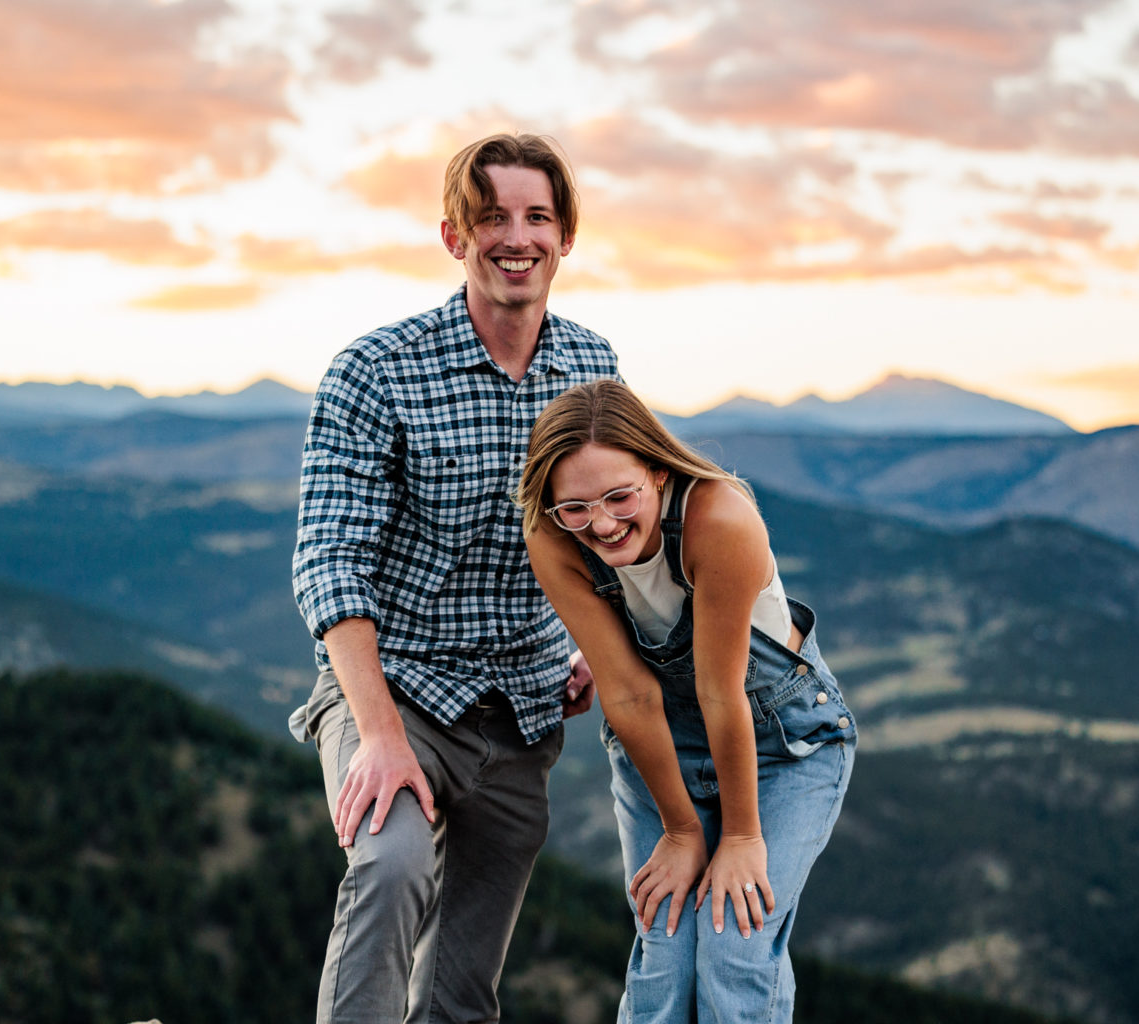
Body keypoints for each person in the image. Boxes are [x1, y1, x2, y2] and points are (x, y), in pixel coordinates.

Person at [290, 133, 620, 1023]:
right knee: (390, 864)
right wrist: (380, 735)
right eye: (492, 217)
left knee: (462, 992)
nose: (517, 237)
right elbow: (330, 564)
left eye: (537, 216)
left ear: (565, 237)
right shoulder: (378, 371)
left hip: (520, 711)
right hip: (396, 694)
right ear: (454, 236)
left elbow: (606, 528)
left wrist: (596, 641)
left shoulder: (592, 369)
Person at [515, 379, 855, 1023]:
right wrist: (679, 829)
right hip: (660, 744)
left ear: (656, 467)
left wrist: (742, 835)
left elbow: (719, 691)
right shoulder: (552, 538)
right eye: (576, 508)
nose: (603, 524)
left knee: (734, 947)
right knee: (665, 949)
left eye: (620, 496)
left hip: (779, 741)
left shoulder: (719, 520)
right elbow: (629, 692)